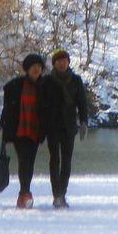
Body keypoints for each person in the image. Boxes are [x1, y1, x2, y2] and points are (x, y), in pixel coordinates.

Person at [40, 47, 92, 208]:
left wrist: (84, 122)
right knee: (54, 161)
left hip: (69, 126)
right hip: (52, 126)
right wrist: (41, 126)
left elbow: (82, 103)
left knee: (67, 162)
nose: (62, 64)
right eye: (59, 61)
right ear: (54, 64)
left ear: (68, 62)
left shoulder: (75, 80)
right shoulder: (47, 81)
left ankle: (62, 193)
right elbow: (41, 105)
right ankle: (56, 195)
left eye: (65, 61)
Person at [0, 53, 47, 208]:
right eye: (33, 67)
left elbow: (49, 110)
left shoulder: (45, 86)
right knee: (24, 161)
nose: (36, 70)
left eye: (39, 67)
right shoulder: (15, 85)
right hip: (19, 130)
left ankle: (24, 193)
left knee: (30, 162)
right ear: (27, 68)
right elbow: (7, 110)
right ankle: (25, 193)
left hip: (35, 130)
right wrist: (5, 132)